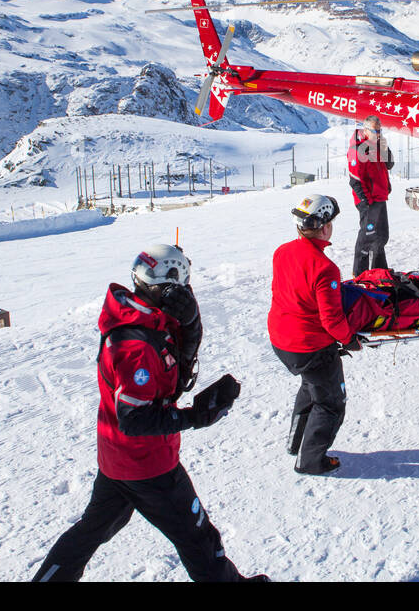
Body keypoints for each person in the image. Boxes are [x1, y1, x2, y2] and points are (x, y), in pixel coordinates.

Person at [33, 244, 259, 582]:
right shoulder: (136, 345)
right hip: (148, 466)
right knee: (197, 536)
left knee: (92, 530)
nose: (184, 292)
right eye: (181, 284)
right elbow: (135, 419)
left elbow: (174, 376)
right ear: (166, 284)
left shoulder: (145, 315)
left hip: (118, 460)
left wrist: (192, 324)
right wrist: (195, 417)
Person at [269, 193, 360, 475]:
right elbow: (331, 321)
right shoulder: (325, 268)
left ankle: (296, 443)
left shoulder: (282, 251)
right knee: (331, 403)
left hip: (281, 340)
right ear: (324, 227)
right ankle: (311, 461)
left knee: (311, 388)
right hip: (309, 347)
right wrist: (350, 340)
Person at [348, 115, 395, 276]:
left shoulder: (377, 144)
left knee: (381, 236)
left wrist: (384, 147)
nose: (379, 133)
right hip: (369, 200)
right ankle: (359, 272)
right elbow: (355, 179)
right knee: (367, 237)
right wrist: (366, 201)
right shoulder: (358, 148)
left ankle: (379, 269)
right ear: (366, 130)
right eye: (376, 130)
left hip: (380, 197)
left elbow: (389, 164)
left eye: (380, 129)